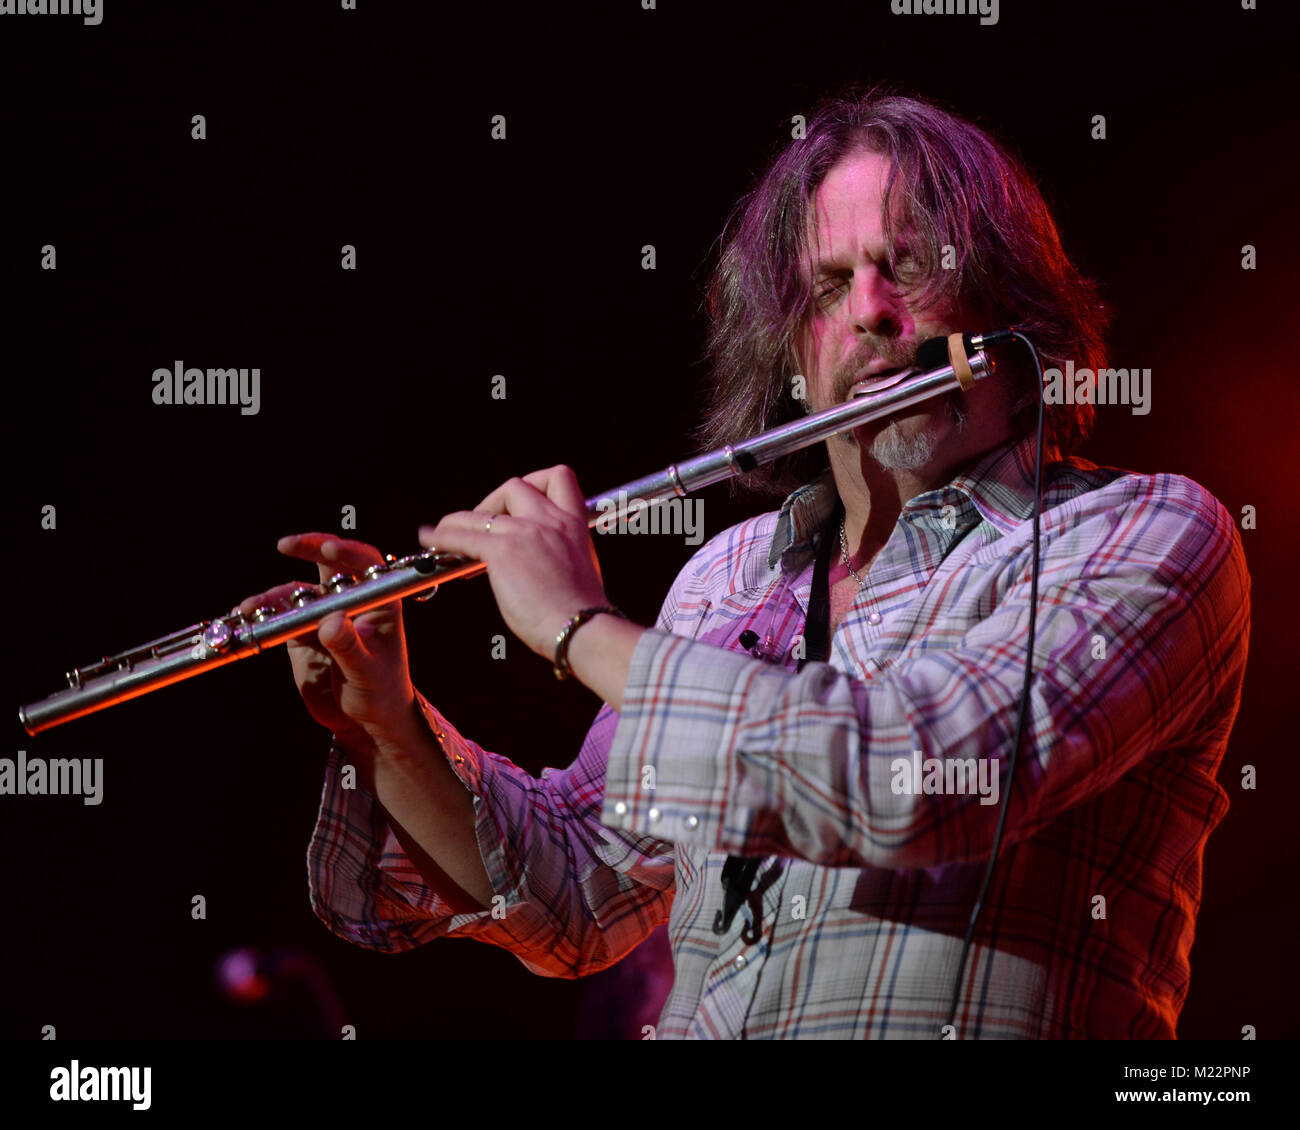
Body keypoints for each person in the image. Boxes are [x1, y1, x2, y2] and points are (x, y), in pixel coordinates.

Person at [241, 89, 1250, 1039]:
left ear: (1006, 297)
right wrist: (383, 714)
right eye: (825, 286)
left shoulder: (1138, 533)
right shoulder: (727, 582)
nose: (867, 313)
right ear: (789, 362)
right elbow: (576, 895)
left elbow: (919, 778)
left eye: (907, 266)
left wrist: (577, 627)